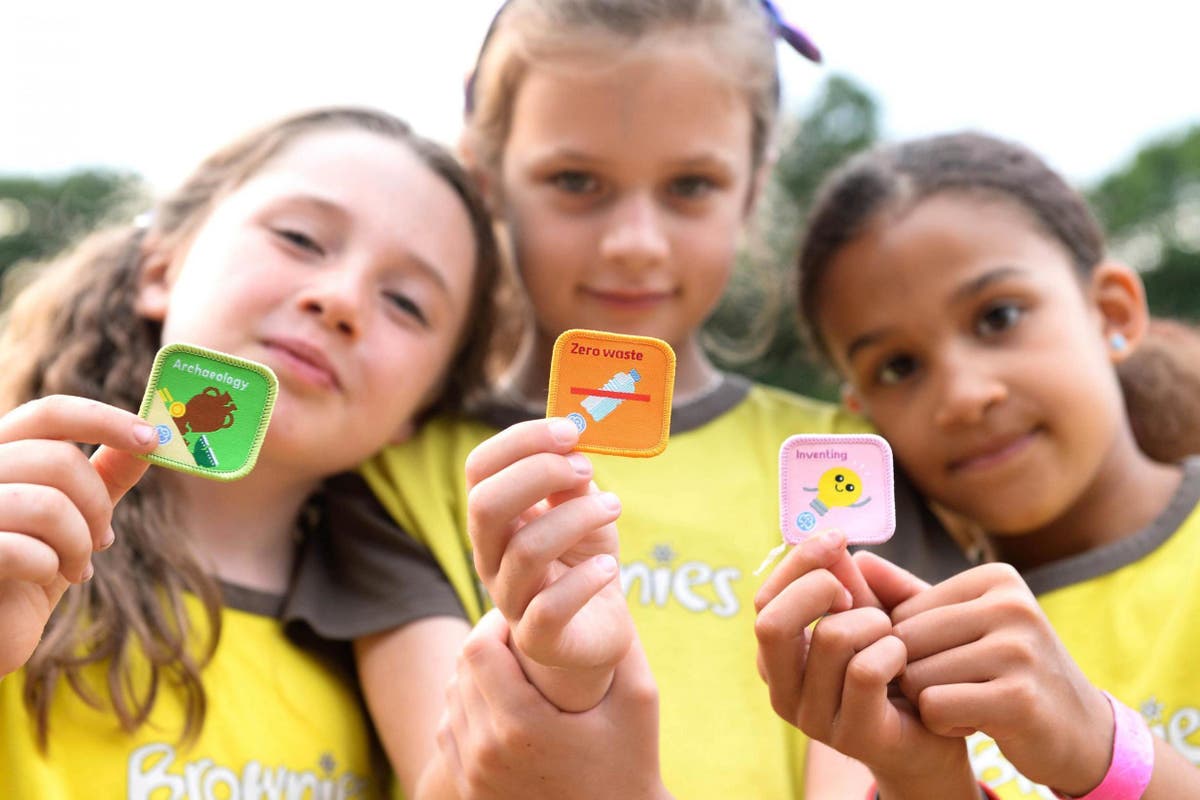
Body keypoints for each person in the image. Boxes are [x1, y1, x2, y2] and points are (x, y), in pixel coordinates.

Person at [287, 3, 964, 798]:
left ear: (753, 189)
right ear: (486, 177)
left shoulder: (844, 460)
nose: (635, 242)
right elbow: (447, 779)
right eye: (576, 181)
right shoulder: (397, 472)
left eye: (691, 186)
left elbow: (884, 758)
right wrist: (554, 681)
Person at [0, 106, 501, 799]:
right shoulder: (14, 541)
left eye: (407, 304)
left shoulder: (426, 643)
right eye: (300, 238)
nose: (340, 300)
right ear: (161, 268)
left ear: (420, 411)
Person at [754, 131, 1200, 799]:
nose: (963, 396)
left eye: (999, 317)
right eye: (898, 367)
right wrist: (920, 779)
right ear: (864, 416)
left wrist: (1104, 752)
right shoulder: (875, 646)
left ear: (1112, 312)